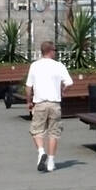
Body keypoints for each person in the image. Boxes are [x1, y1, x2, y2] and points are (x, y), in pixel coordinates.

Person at [25, 40, 72, 173]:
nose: (56, 53)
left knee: (36, 130)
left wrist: (28, 102)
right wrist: (63, 91)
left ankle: (41, 152)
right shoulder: (59, 66)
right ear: (51, 51)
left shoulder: (34, 65)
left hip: (40, 103)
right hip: (54, 103)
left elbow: (28, 87)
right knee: (54, 133)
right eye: (55, 51)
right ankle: (51, 162)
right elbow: (69, 82)